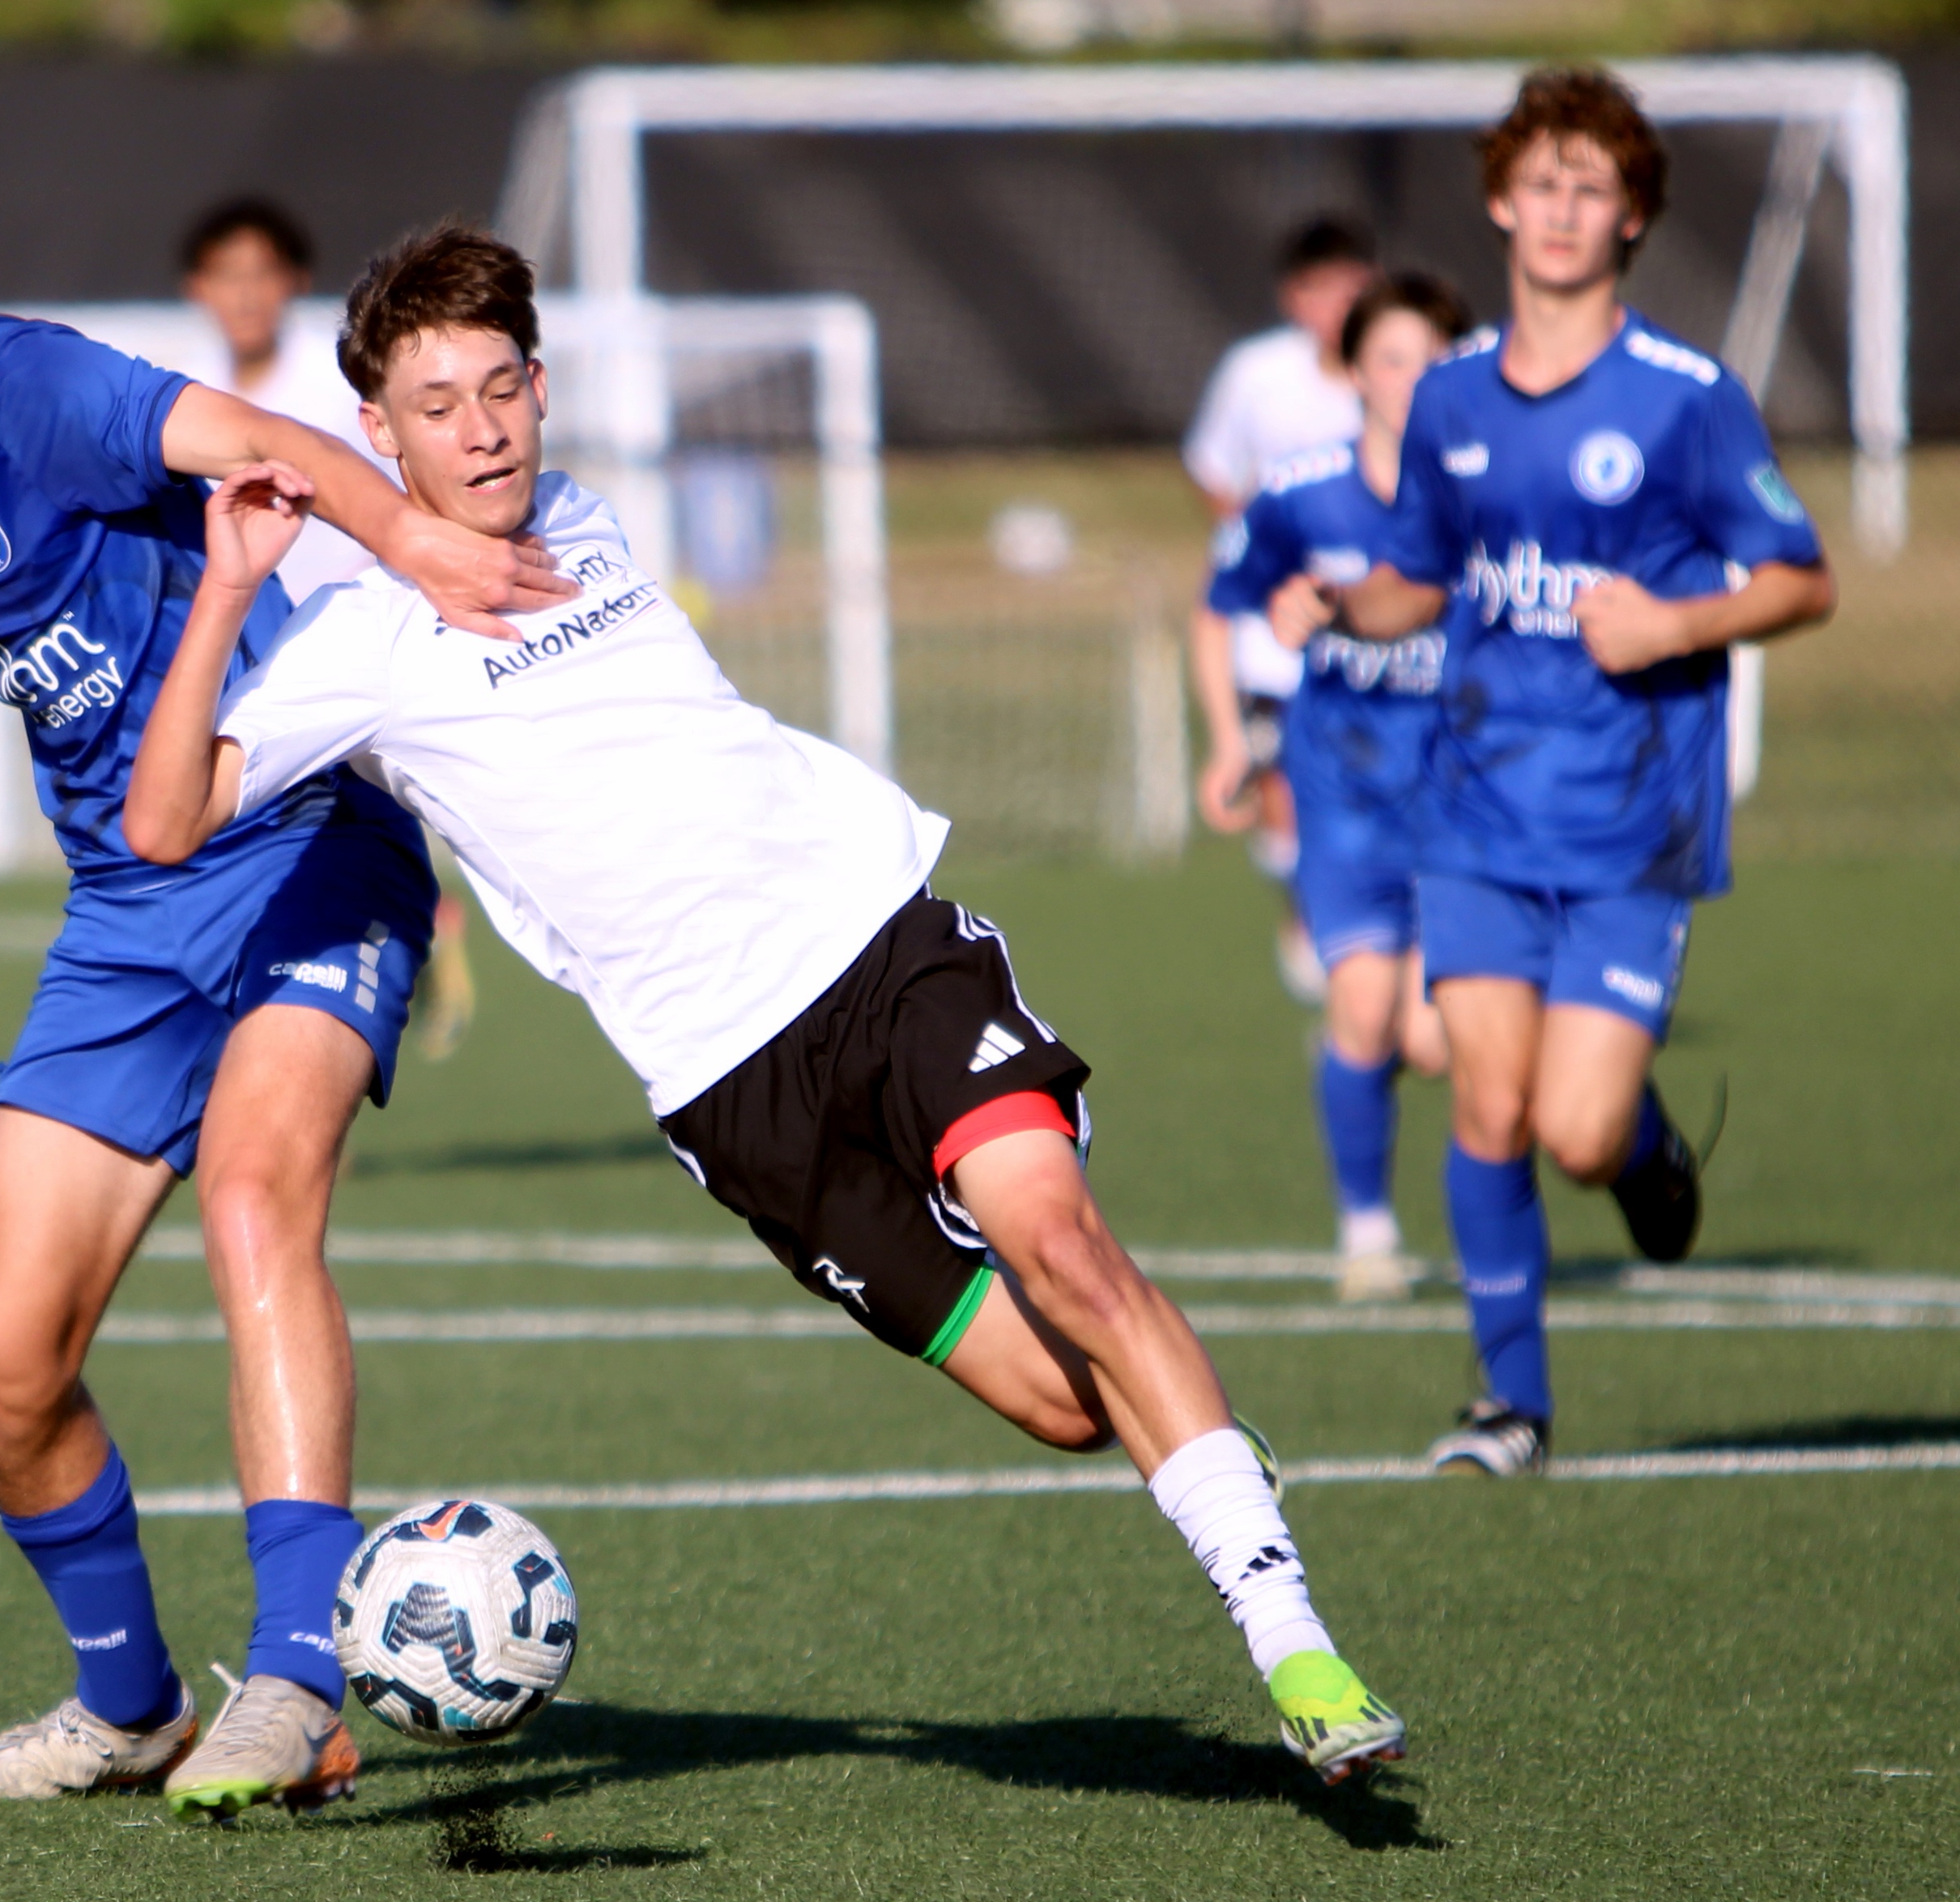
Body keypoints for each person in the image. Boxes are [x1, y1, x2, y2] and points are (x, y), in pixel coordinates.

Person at [128, 225, 1409, 1787]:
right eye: (434, 404)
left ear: (543, 390)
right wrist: (226, 592)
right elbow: (163, 821)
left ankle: (1298, 1647)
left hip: (881, 943)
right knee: (1066, 1406)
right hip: (732, 1089)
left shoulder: (587, 517)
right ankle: (1199, 1442)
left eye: (500, 388)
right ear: (377, 437)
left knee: (1058, 1238)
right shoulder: (360, 649)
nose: (478, 429)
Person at [0, 140, 571, 1818]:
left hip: (300, 838)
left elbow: (270, 443)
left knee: (253, 1191)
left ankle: (296, 1676)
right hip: (130, 912)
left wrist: (413, 544)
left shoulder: (35, 385)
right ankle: (131, 1707)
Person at [1280, 70, 1834, 1476]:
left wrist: (1676, 620)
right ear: (1499, 203)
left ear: (1630, 213)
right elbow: (1414, 580)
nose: (1563, 210)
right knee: (1485, 1106)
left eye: (1592, 187)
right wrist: (1336, 603)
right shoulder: (1451, 396)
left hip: (1633, 821)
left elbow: (1799, 577)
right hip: (1471, 812)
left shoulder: (1682, 400)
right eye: (1541, 184)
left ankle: (1643, 1149)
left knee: (1574, 1131)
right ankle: (1506, 1404)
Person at [1204, 273, 1468, 1303]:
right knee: (1363, 1012)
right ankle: (1367, 1230)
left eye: (1435, 358)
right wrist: (1232, 738)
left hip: (1460, 800)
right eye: (1393, 357)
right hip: (1345, 796)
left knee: (1435, 1045)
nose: (1412, 379)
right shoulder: (1303, 488)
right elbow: (1218, 604)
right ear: (1354, 371)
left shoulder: (1487, 494)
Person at [181, 195, 478, 1060]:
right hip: (253, 662)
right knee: (251, 865)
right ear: (199, 288)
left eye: (261, 275)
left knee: (355, 848)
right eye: (226, 277)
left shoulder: (332, 389)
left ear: (293, 283)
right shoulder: (184, 396)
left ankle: (408, 947)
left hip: (354, 658)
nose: (244, 296)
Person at [1187, 217, 1381, 1006]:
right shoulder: (1257, 373)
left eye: (1350, 285)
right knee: (1287, 788)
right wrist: (1258, 556)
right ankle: (1312, 916)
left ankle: (1378, 923)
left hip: (1390, 627)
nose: (1336, 305)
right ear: (1292, 298)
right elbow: (1211, 465)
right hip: (1280, 628)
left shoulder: (1407, 370)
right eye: (1317, 289)